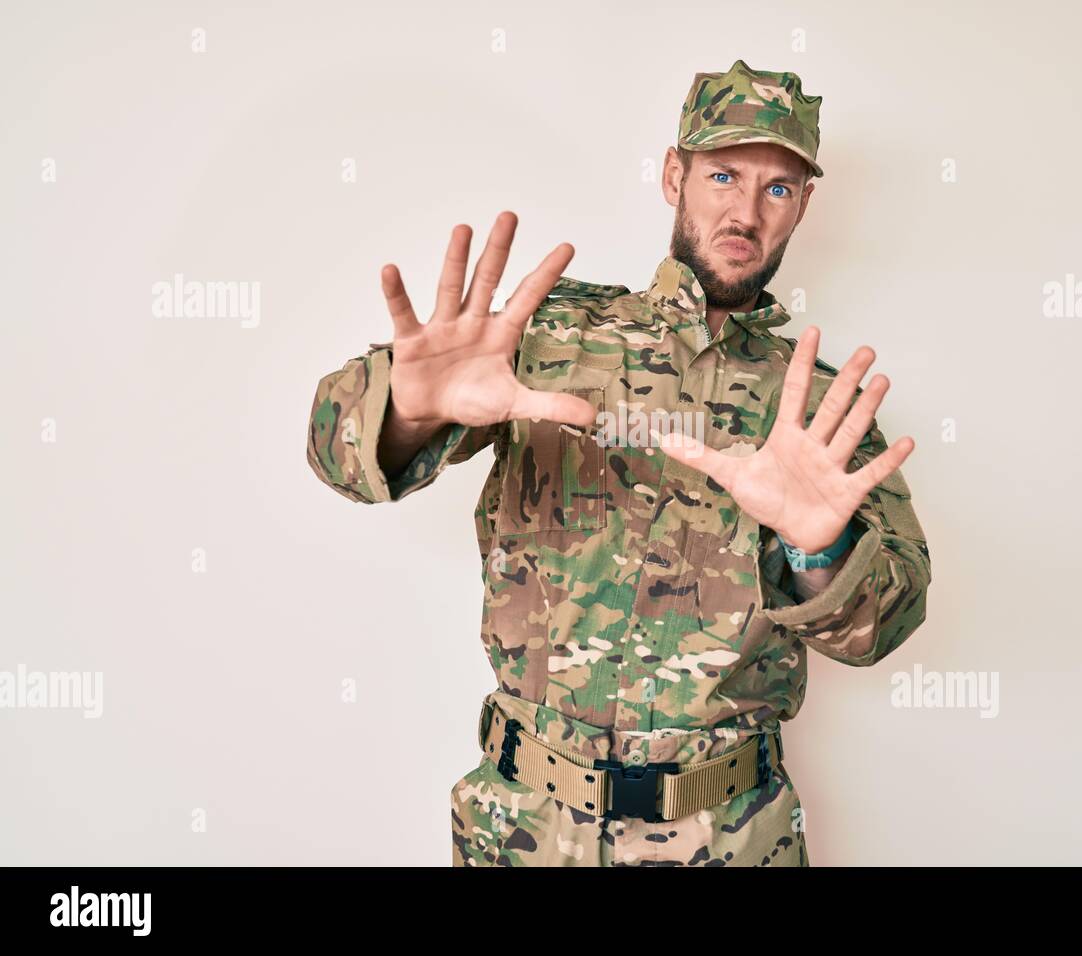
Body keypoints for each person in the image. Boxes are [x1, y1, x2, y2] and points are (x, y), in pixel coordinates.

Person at [306, 59, 932, 866]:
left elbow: (883, 624)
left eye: (778, 188)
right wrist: (405, 410)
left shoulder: (816, 405)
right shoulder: (548, 332)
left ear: (803, 206)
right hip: (523, 829)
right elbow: (332, 451)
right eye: (724, 174)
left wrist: (819, 551)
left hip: (727, 837)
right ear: (675, 175)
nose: (746, 210)